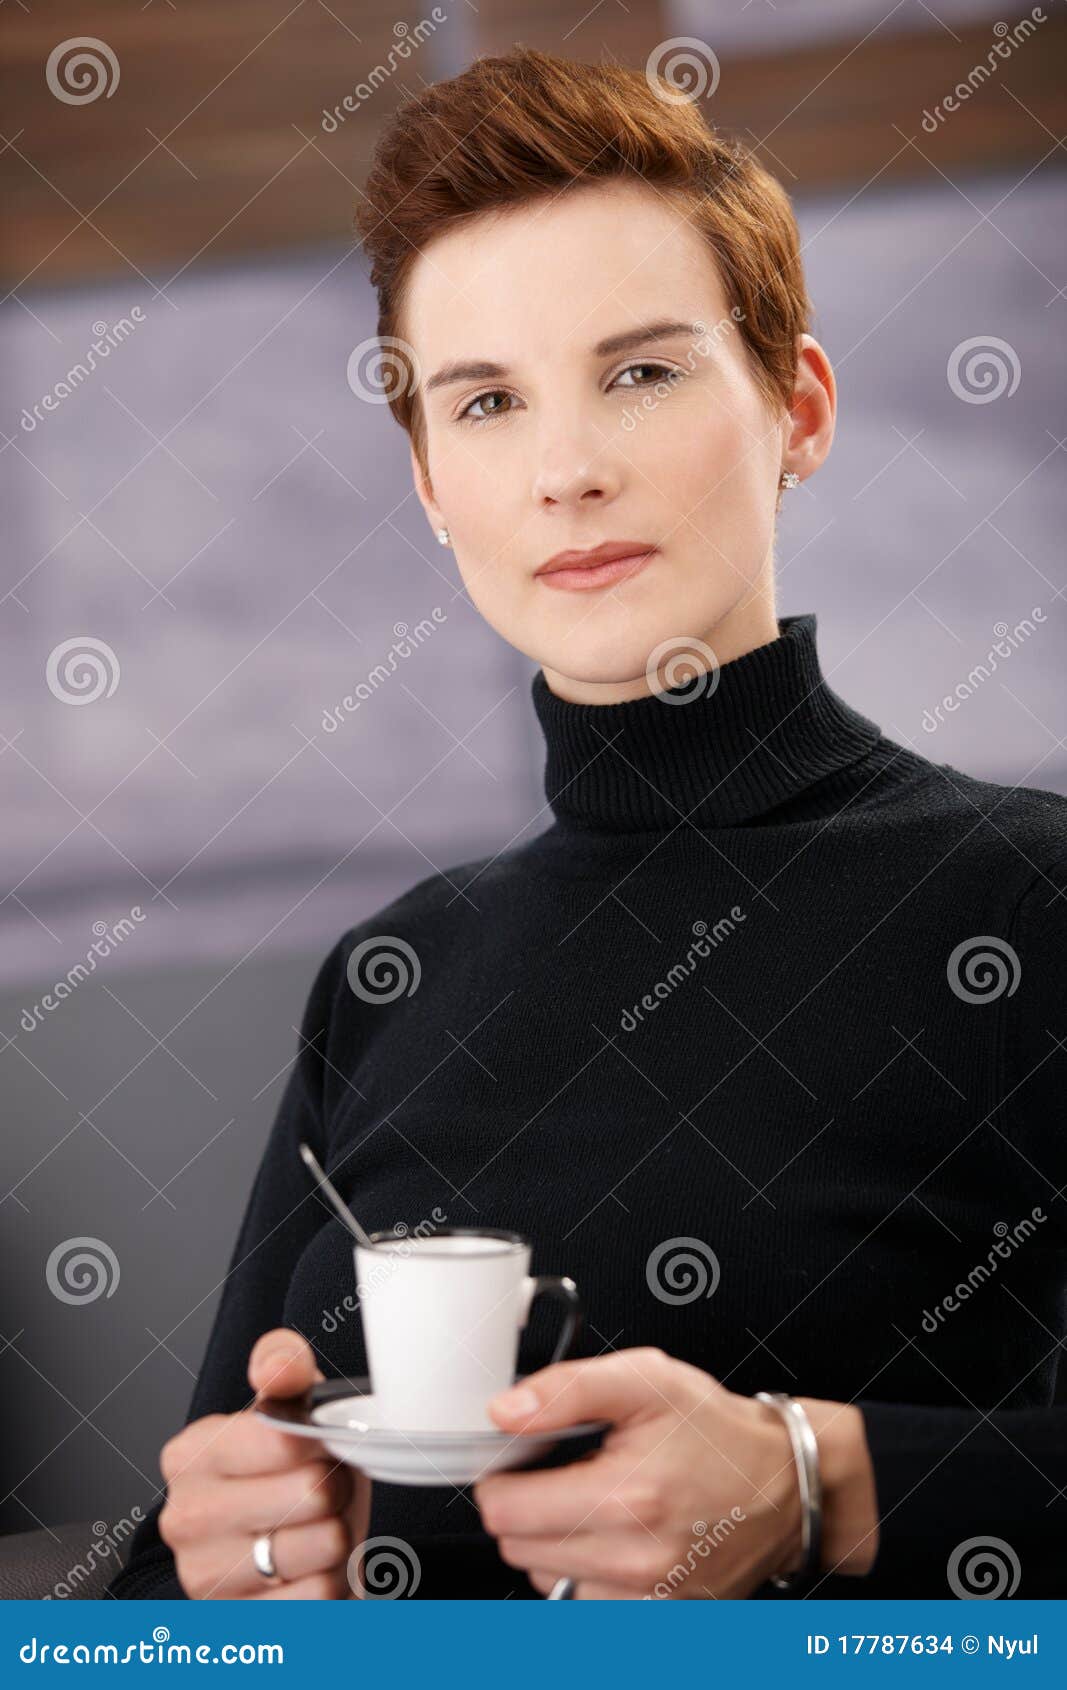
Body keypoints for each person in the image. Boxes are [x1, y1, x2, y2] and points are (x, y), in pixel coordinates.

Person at [108, 46, 1067, 1601]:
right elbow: (174, 1580)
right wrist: (234, 1548)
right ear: (430, 482)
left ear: (796, 408)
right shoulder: (389, 974)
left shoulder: (1027, 902)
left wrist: (823, 1479)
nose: (567, 470)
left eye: (642, 371)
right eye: (487, 402)